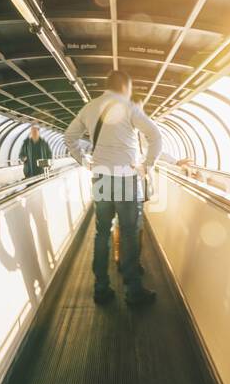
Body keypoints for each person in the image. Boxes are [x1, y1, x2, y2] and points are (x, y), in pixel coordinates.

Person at [63, 69, 163, 307]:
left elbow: (69, 137)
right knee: (129, 234)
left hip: (100, 177)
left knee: (102, 232)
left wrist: (84, 161)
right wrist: (146, 165)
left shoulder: (89, 107)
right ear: (125, 87)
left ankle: (101, 289)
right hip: (126, 177)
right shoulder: (129, 107)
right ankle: (134, 292)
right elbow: (155, 136)